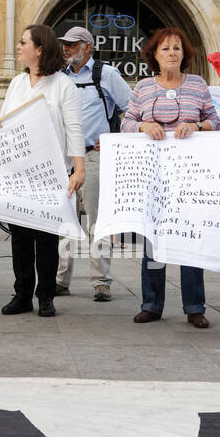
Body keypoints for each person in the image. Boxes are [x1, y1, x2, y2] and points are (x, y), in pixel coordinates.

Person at [121, 27, 220, 329]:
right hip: (154, 175)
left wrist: (197, 126)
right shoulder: (143, 88)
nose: (171, 53)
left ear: (184, 54)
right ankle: (152, 304)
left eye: (177, 48)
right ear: (154, 55)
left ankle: (194, 306)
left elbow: (215, 121)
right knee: (154, 241)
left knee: (190, 238)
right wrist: (142, 126)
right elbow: (125, 122)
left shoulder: (198, 85)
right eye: (165, 49)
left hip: (189, 176)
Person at [0, 23, 83, 317]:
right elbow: (5, 124)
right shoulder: (16, 83)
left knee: (48, 239)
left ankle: (46, 296)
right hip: (19, 175)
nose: (17, 46)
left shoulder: (63, 85)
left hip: (51, 176)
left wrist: (78, 170)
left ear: (39, 49)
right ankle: (23, 294)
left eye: (23, 42)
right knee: (21, 237)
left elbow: (75, 130)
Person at [55, 25, 132, 301]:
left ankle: (101, 282)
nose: (66, 48)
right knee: (64, 221)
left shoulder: (107, 74)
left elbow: (133, 110)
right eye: (65, 44)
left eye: (72, 45)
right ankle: (60, 280)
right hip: (63, 158)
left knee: (97, 222)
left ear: (87, 47)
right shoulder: (59, 77)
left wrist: (114, 137)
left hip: (94, 155)